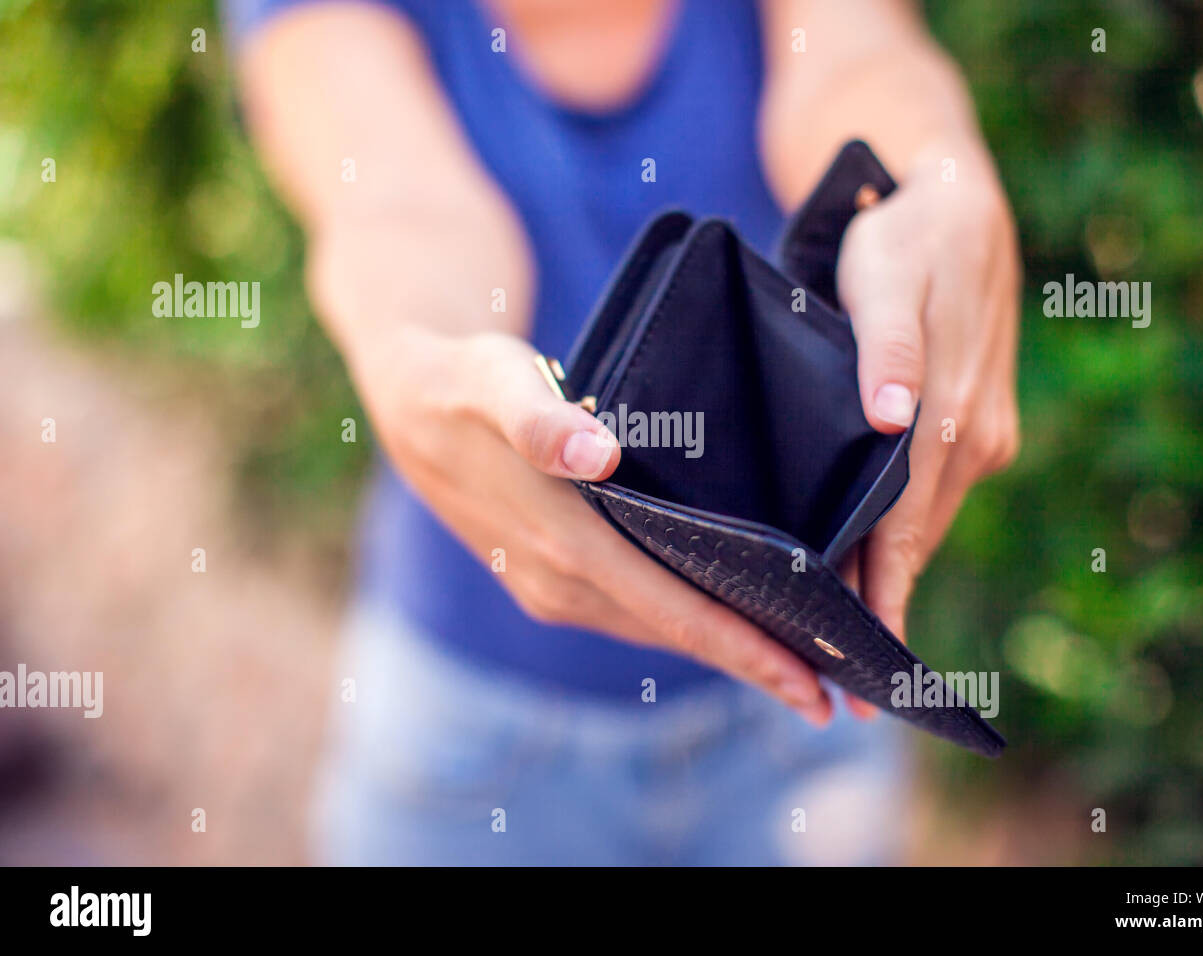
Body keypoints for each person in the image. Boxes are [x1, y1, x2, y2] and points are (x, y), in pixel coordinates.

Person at [225, 0, 1021, 865]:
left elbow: (858, 62)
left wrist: (933, 181)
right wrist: (422, 353)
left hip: (802, 715)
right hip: (469, 744)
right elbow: (396, 202)